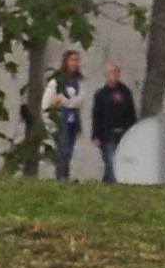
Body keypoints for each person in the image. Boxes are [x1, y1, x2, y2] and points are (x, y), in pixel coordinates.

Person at [89, 60, 138, 178]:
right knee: (110, 162)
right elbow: (97, 114)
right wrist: (96, 135)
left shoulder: (125, 92)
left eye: (116, 72)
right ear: (106, 75)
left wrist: (133, 131)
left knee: (118, 162)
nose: (114, 75)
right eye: (111, 72)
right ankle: (112, 185)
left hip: (123, 133)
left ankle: (108, 185)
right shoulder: (101, 94)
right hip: (107, 134)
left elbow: (131, 112)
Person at [46, 49, 87, 180]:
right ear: (66, 61)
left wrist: (63, 100)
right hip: (58, 120)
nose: (75, 63)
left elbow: (79, 100)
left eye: (77, 60)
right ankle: (61, 177)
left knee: (68, 151)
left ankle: (65, 176)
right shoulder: (56, 81)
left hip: (72, 120)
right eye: (72, 60)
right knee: (62, 150)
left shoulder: (79, 81)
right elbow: (48, 102)